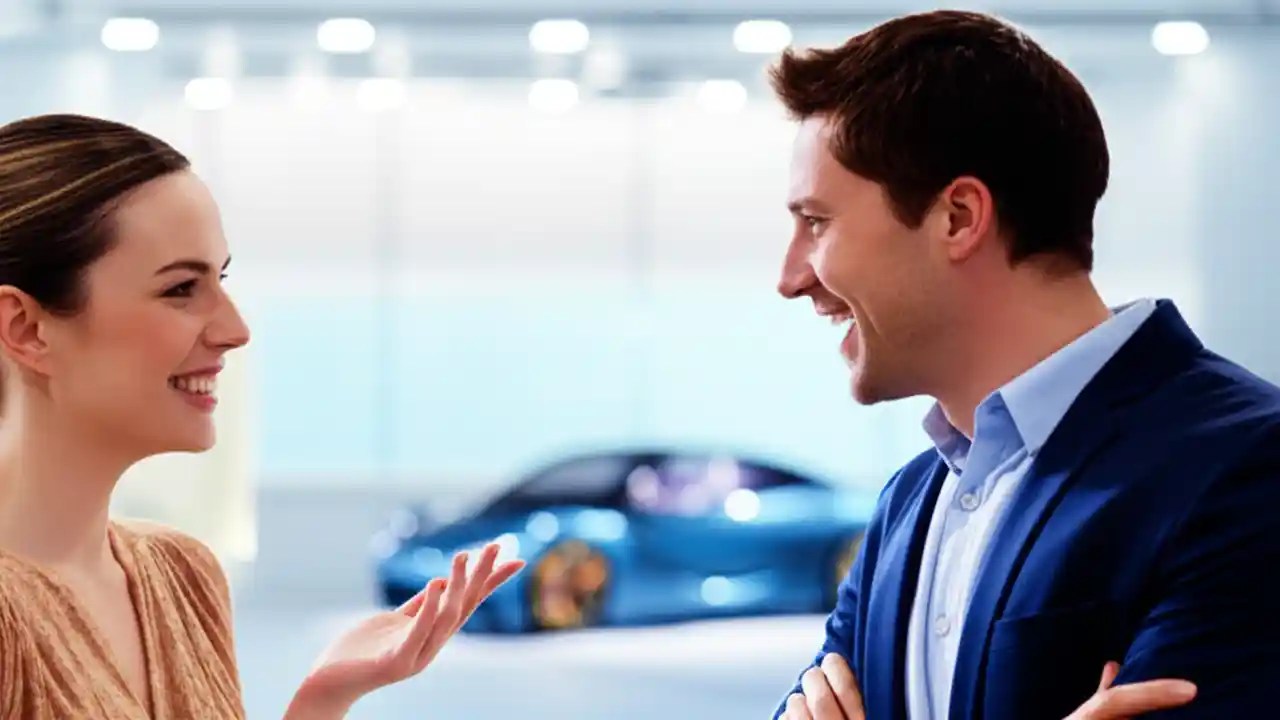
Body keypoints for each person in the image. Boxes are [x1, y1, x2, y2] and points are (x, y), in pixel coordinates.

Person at [769, 10, 1280, 720]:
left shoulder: (1250, 464)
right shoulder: (907, 506)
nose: (791, 276)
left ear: (957, 218)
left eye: (817, 222)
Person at [0, 113, 524, 719]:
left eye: (220, 280)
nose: (235, 330)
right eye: (180, 289)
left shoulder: (181, 573)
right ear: (27, 328)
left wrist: (326, 695)